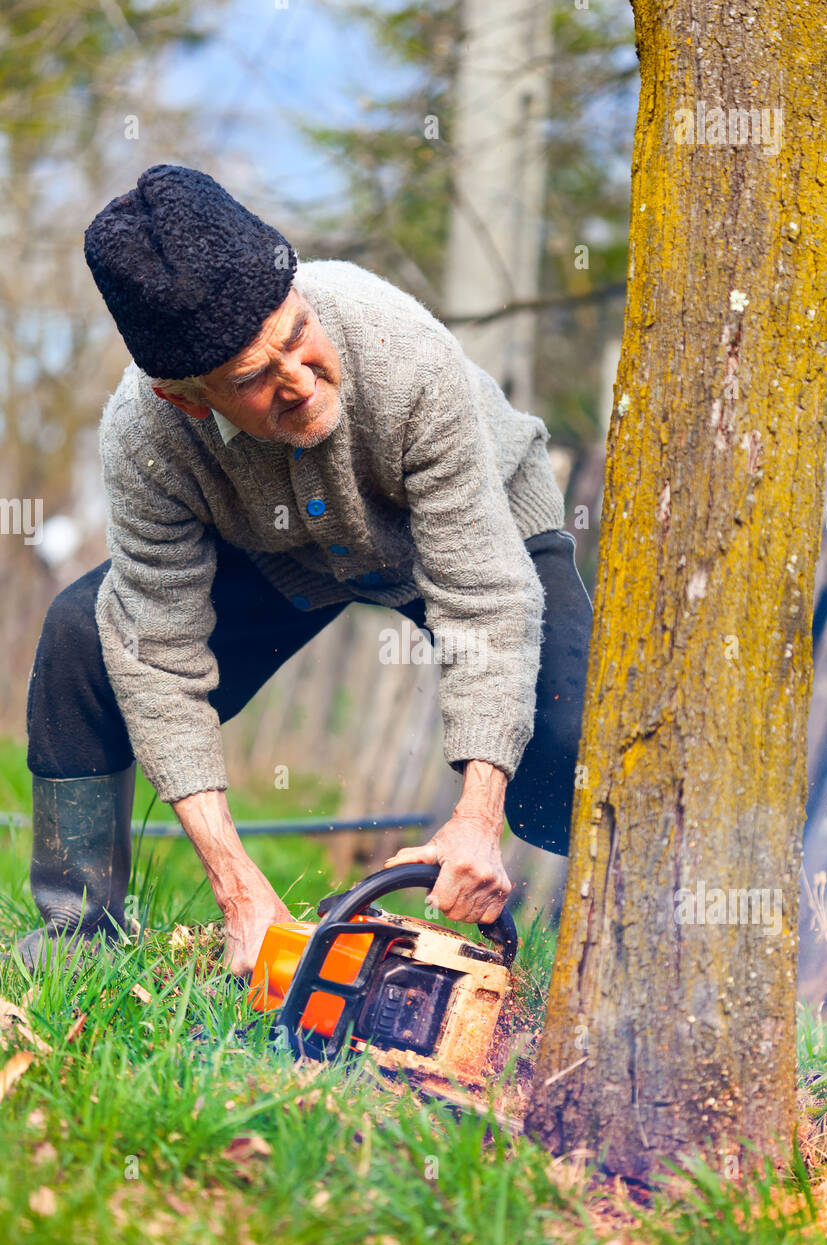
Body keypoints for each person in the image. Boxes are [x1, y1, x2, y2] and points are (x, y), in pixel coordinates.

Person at [20, 164, 593, 974]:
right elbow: (161, 654)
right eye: (254, 379)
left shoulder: (403, 355)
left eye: (297, 336)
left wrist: (476, 816)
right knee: (88, 639)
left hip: (474, 526)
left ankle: (618, 973)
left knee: (571, 743)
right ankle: (78, 945)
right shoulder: (146, 442)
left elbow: (484, 598)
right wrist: (238, 890)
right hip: (281, 550)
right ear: (187, 400)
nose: (299, 380)